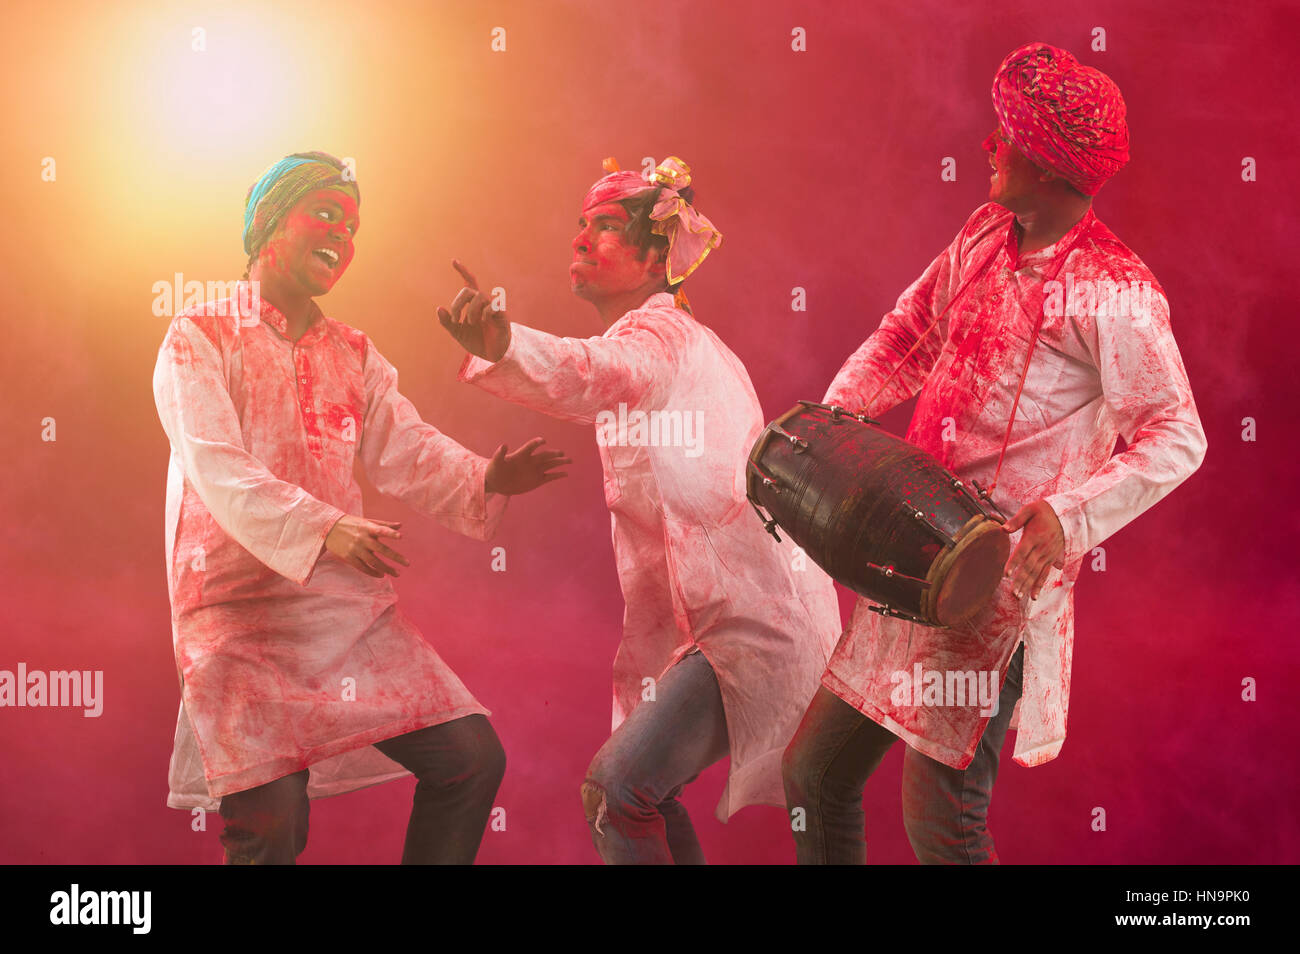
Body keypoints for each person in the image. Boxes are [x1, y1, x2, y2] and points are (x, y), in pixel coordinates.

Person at [782, 43, 1208, 864]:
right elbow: (909, 333)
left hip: (991, 589)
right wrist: (834, 417)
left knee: (941, 827)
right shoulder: (983, 231)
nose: (989, 145)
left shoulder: (1112, 288)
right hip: (906, 555)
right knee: (815, 777)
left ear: (1048, 164)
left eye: (1006, 136)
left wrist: (1071, 512)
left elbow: (1175, 433)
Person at [152, 151, 568, 864]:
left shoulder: (354, 353)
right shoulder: (198, 335)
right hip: (236, 619)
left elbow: (404, 447)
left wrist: (485, 478)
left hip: (341, 611)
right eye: (326, 214)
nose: (342, 236)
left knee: (470, 757)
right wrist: (325, 526)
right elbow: (214, 463)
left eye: (352, 226)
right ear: (270, 224)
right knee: (272, 826)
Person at [438, 157, 841, 864]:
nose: (582, 241)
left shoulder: (663, 340)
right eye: (581, 227)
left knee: (618, 789)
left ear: (658, 256)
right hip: (723, 626)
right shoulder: (673, 343)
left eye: (607, 229)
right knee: (633, 794)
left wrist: (504, 344)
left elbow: (599, 372)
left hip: (754, 624)